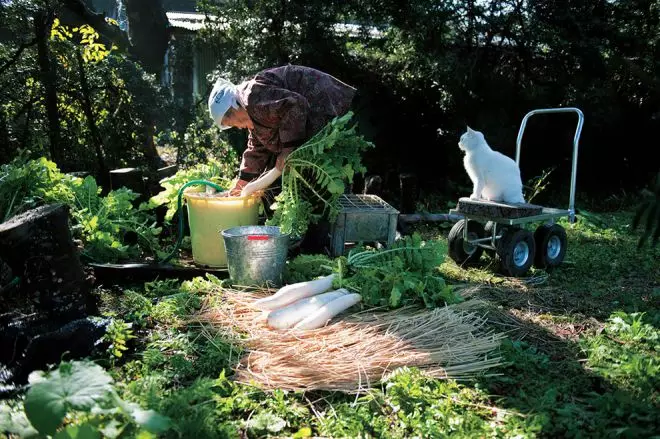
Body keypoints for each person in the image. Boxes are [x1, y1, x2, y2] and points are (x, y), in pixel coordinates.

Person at [208, 65, 357, 195]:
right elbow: (257, 148)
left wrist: (287, 150)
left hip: (327, 104)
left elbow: (295, 104)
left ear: (234, 108)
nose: (239, 127)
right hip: (320, 114)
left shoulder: (252, 96)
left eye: (233, 123)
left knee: (335, 169)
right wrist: (241, 183)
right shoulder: (252, 112)